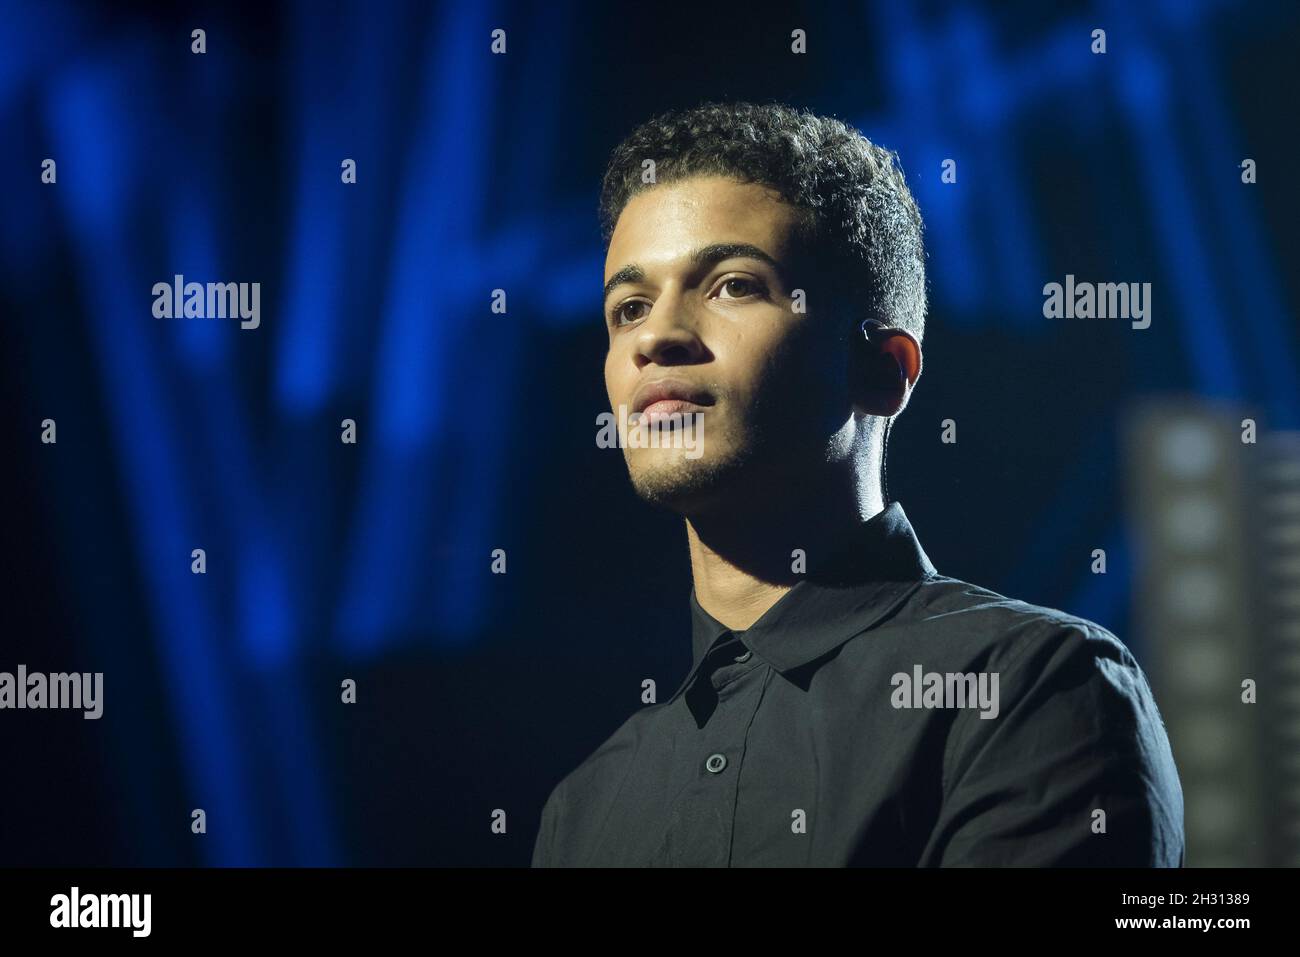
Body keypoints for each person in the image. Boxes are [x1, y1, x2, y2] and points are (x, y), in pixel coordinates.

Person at [532, 101, 1184, 867]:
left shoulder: (1029, 688)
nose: (656, 336)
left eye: (734, 285)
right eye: (628, 306)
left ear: (883, 369)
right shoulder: (583, 809)